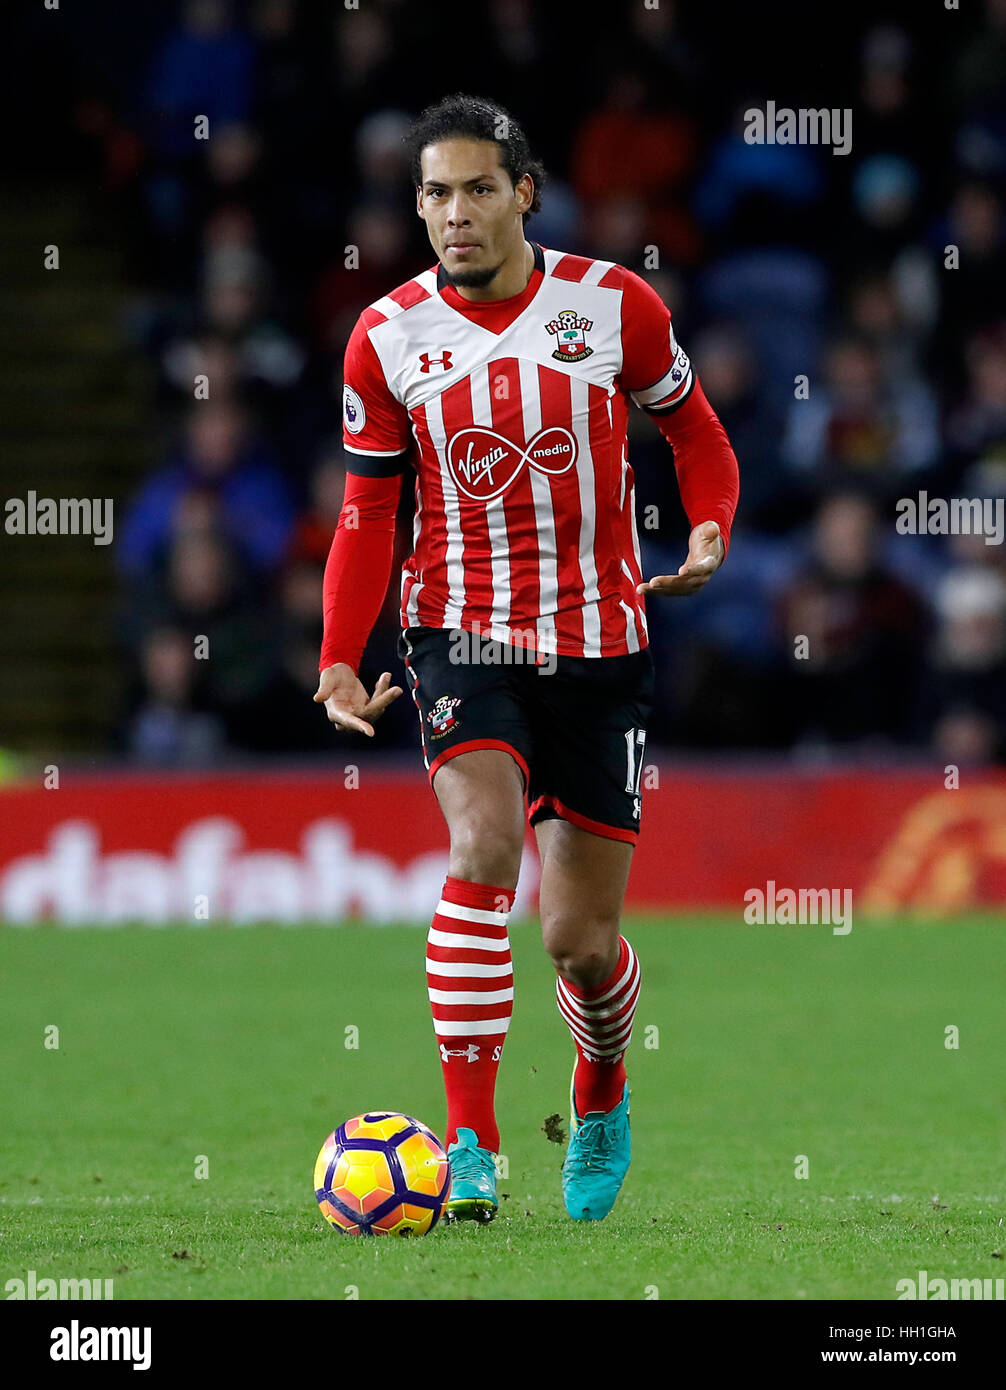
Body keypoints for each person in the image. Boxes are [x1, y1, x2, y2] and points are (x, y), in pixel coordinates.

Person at [313, 94, 739, 1223]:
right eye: (435, 195)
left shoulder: (614, 305)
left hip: (601, 642)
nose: (456, 214)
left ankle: (599, 1084)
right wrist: (339, 657)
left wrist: (708, 528)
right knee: (483, 842)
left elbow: (693, 430)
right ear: (417, 208)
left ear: (525, 193)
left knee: (576, 940)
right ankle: (471, 1141)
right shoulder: (386, 337)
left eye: (477, 190)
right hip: (460, 629)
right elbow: (367, 513)